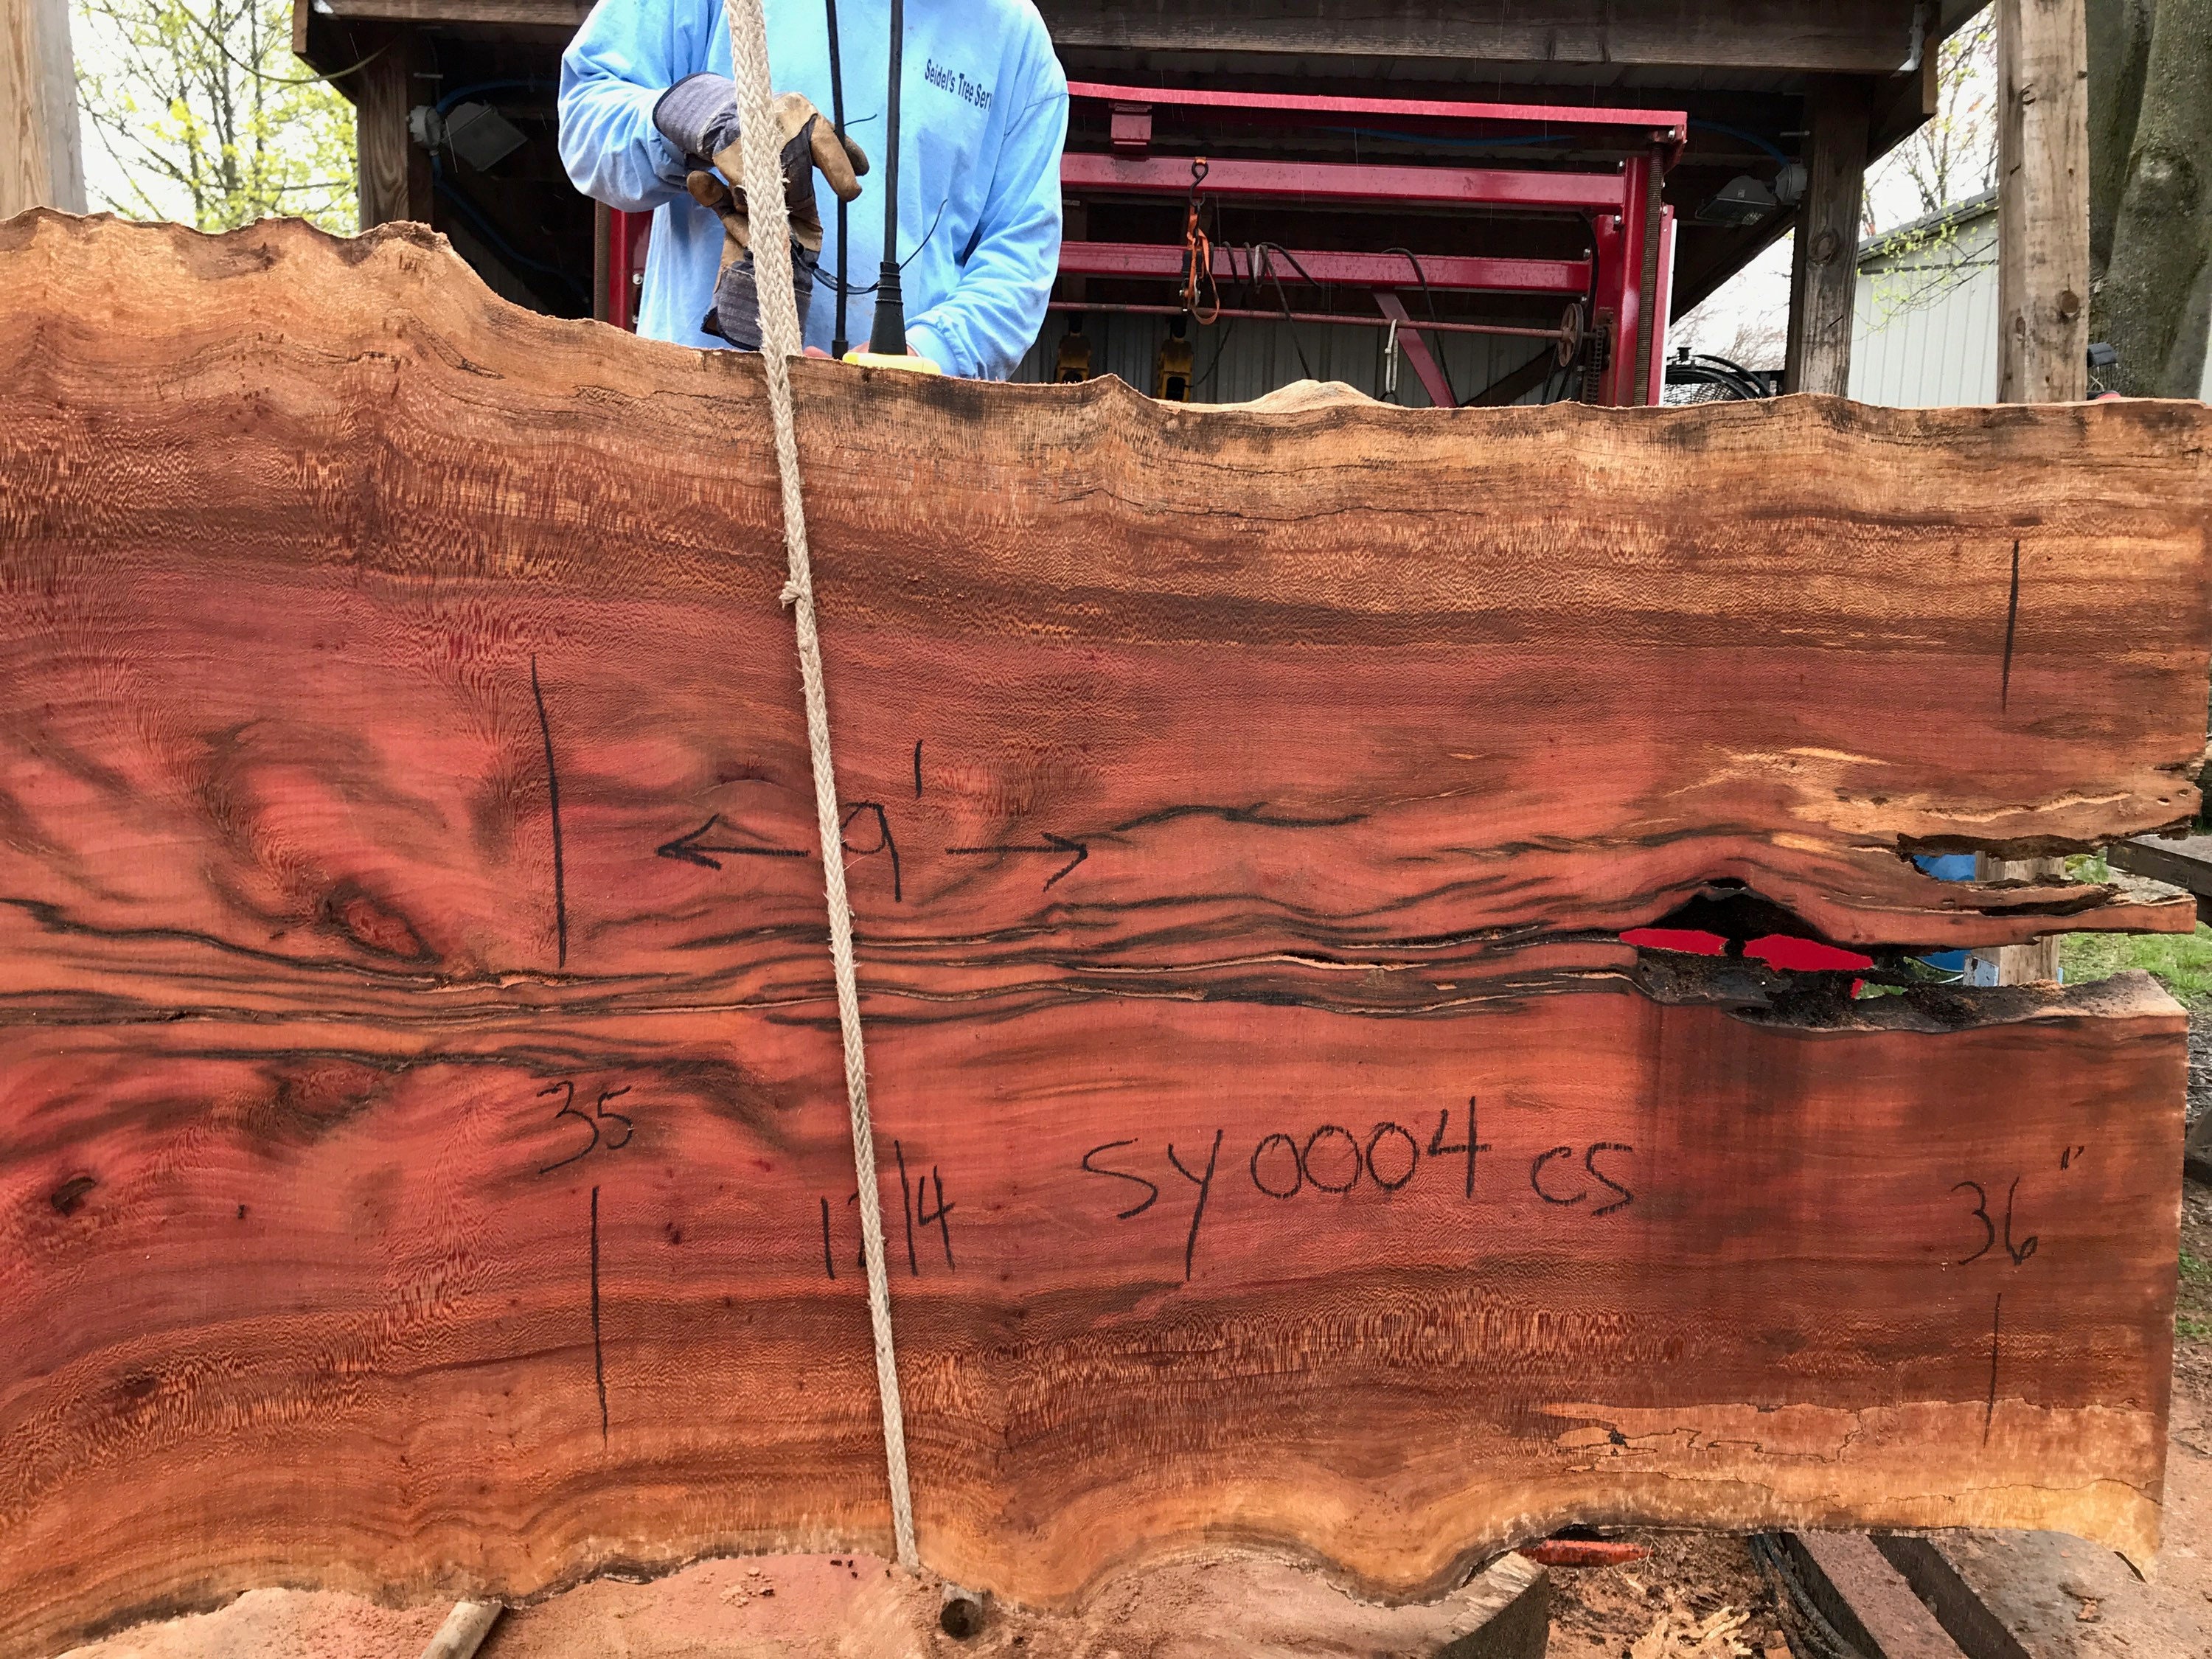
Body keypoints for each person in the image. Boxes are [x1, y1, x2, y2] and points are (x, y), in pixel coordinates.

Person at [558, 0, 1067, 378]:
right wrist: (709, 119)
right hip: (693, 407)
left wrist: (929, 356)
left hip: (898, 439)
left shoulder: (1014, 35)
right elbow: (587, 117)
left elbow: (1019, 256)